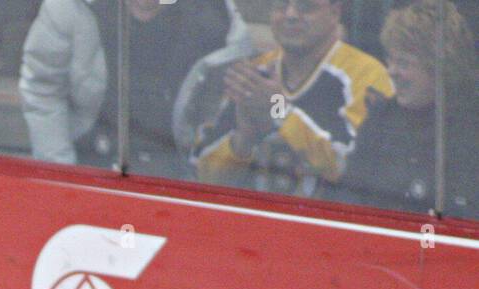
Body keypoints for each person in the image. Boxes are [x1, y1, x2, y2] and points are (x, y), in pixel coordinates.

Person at [20, 0, 251, 175]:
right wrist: (61, 173)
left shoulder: (218, 15)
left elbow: (227, 105)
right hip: (88, 164)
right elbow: (42, 88)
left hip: (178, 176)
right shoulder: (71, 6)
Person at [192, 0, 394, 197]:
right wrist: (244, 138)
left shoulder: (368, 76)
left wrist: (280, 111)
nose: (290, 15)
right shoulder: (254, 73)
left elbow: (354, 171)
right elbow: (202, 176)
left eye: (306, 6)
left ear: (336, 12)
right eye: (281, 5)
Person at [334, 0, 479, 216]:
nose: (391, 71)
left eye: (403, 63)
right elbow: (348, 197)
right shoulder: (381, 119)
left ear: (439, 66)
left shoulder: (470, 129)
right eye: (390, 60)